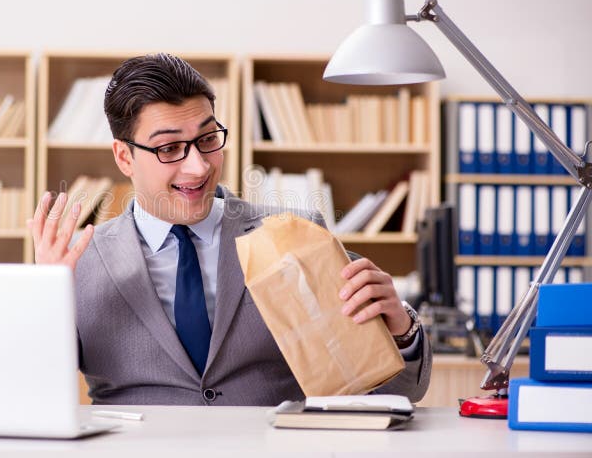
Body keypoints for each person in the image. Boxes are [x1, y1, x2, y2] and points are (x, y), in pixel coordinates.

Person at [27, 53, 432, 406]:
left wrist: (400, 328)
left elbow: (395, 390)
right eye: (169, 148)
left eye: (207, 139)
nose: (199, 167)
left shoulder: (297, 233)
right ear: (124, 157)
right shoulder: (79, 261)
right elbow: (31, 393)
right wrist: (45, 300)